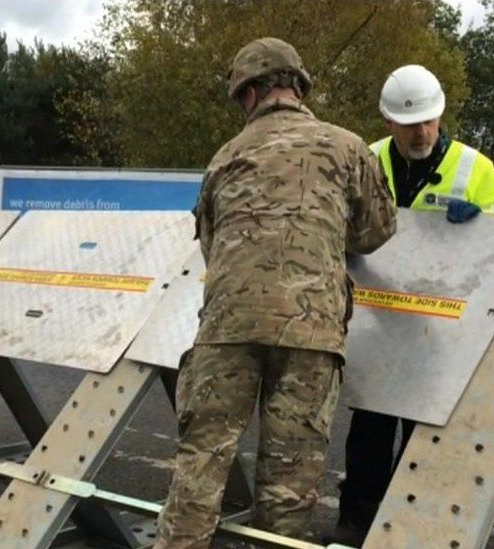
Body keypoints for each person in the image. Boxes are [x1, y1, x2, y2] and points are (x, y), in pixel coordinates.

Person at [154, 37, 397, 548]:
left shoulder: (225, 157)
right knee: (289, 484)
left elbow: (210, 244)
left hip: (226, 329)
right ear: (297, 86)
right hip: (310, 330)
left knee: (200, 463)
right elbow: (376, 230)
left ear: (249, 93)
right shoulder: (347, 146)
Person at [326, 64, 494, 547]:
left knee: (424, 427)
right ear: (389, 123)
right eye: (410, 124)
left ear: (440, 114)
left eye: (429, 121)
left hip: (439, 324)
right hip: (378, 315)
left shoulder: (474, 167)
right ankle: (358, 517)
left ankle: (408, 522)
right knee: (369, 424)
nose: (422, 132)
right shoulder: (366, 159)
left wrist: (484, 220)